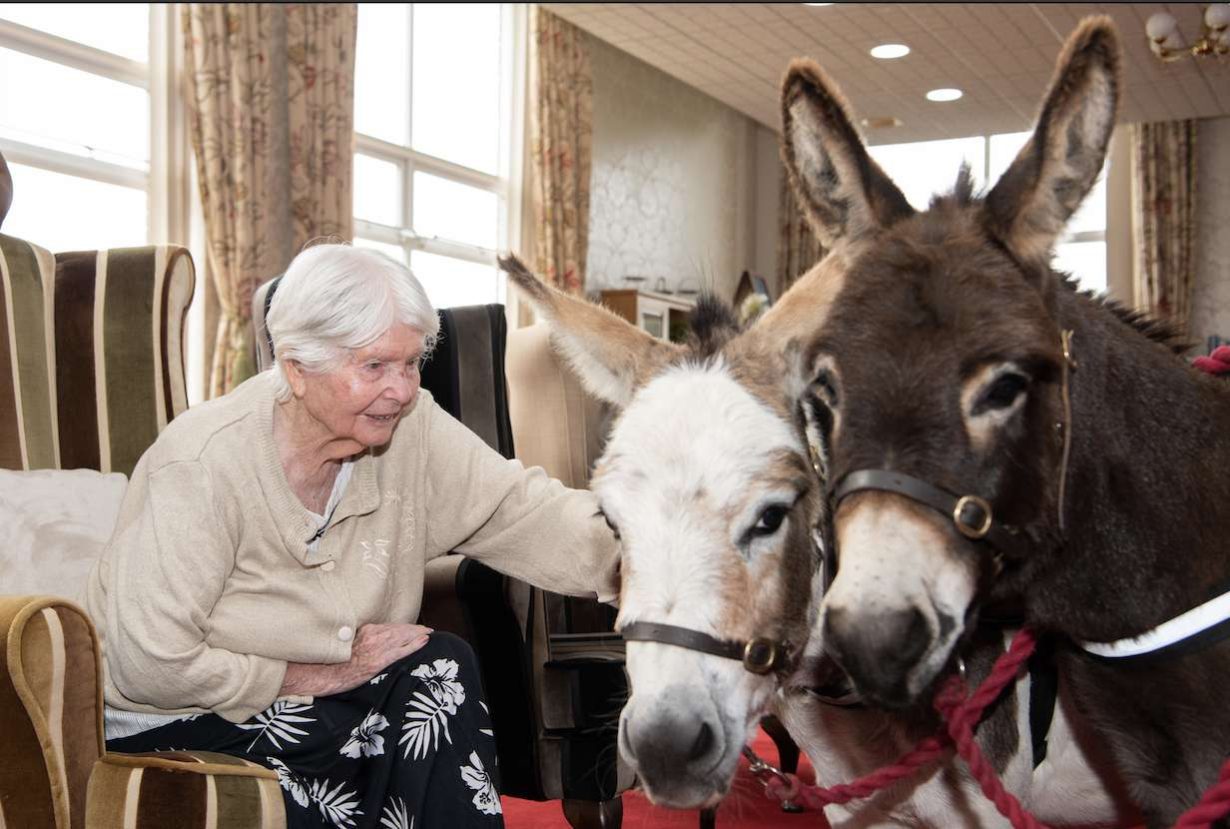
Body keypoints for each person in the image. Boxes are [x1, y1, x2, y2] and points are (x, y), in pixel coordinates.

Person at [84, 243, 621, 828]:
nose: (402, 389)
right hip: (186, 717)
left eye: (412, 363)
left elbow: (523, 510)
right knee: (320, 797)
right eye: (375, 367)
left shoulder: (410, 430)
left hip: (326, 702)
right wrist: (312, 676)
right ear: (296, 368)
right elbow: (148, 664)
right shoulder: (202, 466)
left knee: (440, 665)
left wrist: (661, 555)